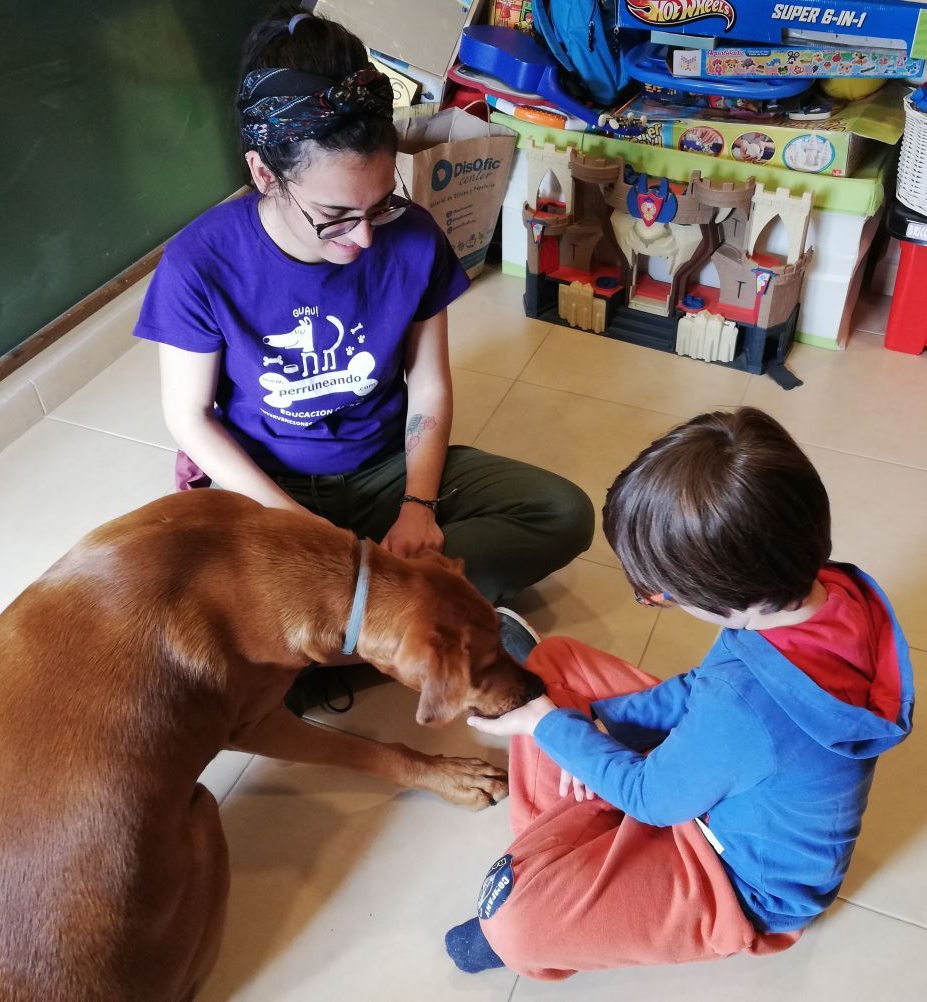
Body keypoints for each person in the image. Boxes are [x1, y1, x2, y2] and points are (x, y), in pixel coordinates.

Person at [132, 4, 593, 708]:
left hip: (381, 470)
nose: (366, 239)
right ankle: (395, 624)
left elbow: (429, 389)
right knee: (192, 624)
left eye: (380, 204)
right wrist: (294, 524)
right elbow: (192, 420)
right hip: (265, 485)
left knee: (563, 513)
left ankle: (348, 635)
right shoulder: (201, 263)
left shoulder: (412, 239)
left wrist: (417, 504)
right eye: (335, 217)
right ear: (264, 173)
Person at [445, 407, 914, 980]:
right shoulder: (820, 591)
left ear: (720, 595)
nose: (651, 600)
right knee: (556, 668)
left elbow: (655, 798)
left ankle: (551, 866)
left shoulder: (748, 706)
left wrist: (551, 726)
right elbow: (699, 689)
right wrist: (594, 719)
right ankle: (573, 829)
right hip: (721, 768)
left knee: (514, 921)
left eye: (656, 595)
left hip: (739, 885)